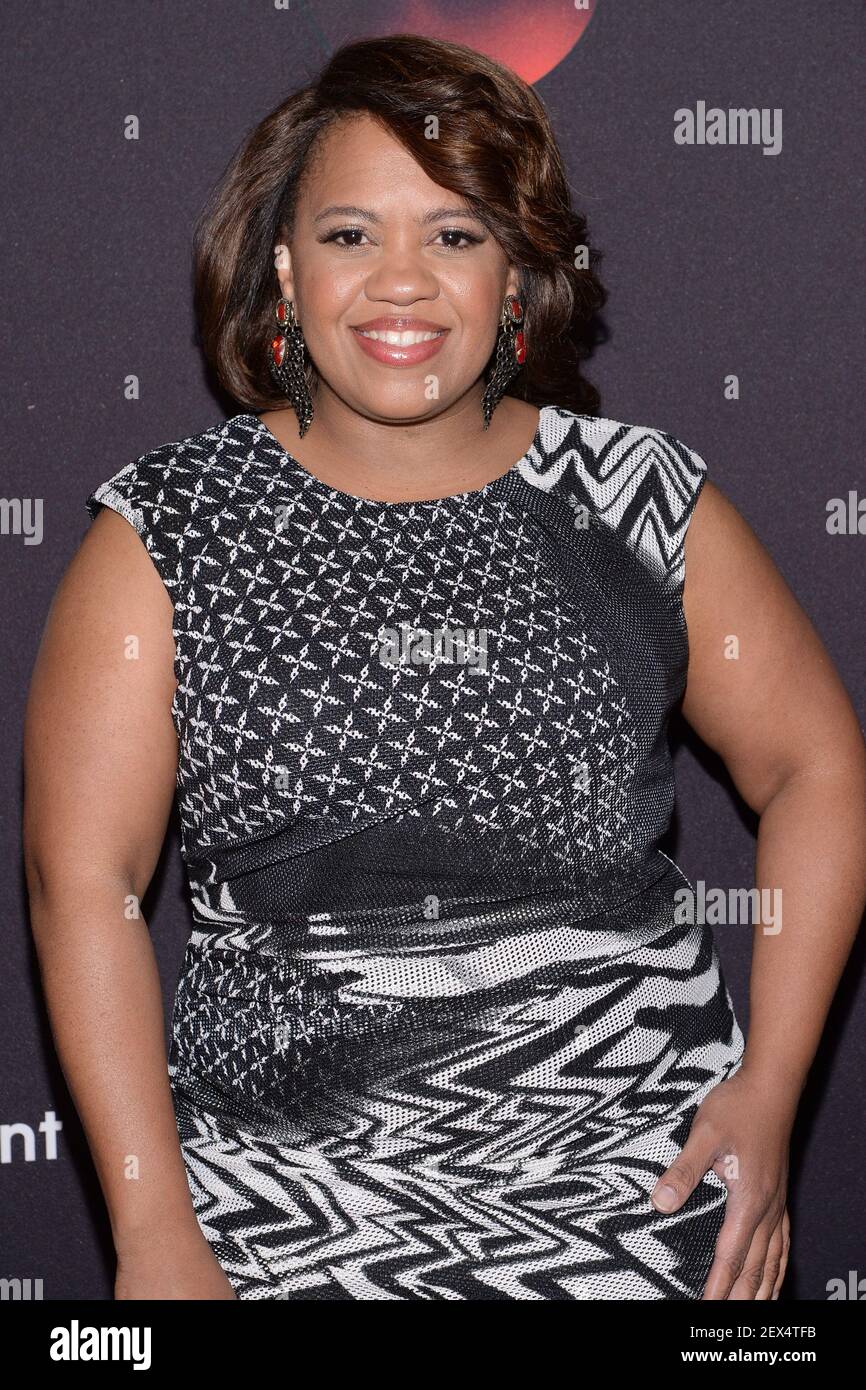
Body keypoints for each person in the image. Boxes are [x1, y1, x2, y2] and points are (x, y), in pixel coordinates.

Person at [23, 34, 866, 1302]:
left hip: (641, 1200)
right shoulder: (170, 528)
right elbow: (82, 881)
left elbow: (815, 767)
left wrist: (769, 1091)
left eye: (455, 236)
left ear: (518, 276)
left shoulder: (633, 498)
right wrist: (150, 1231)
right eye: (351, 235)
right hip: (278, 1216)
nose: (401, 285)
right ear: (282, 274)